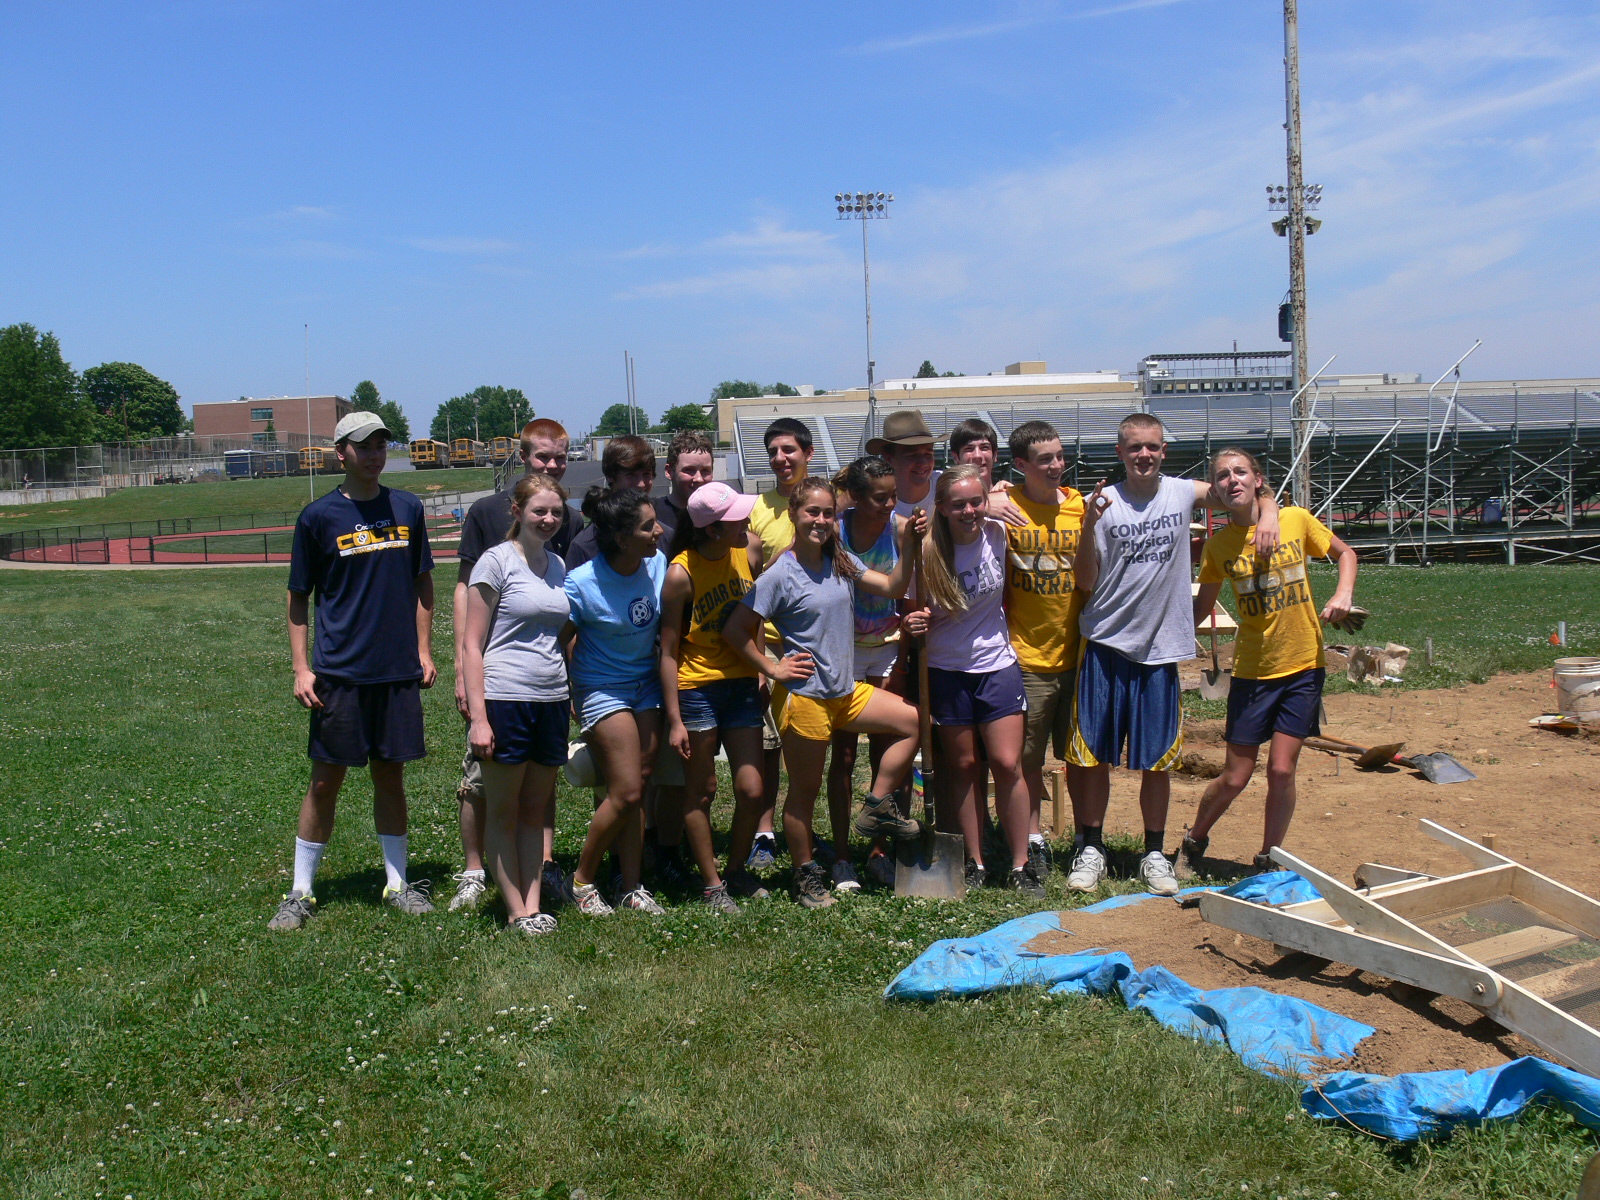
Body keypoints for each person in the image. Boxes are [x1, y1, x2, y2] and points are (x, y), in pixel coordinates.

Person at [1067, 413, 1279, 896]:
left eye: (1152, 447)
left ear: (1164, 451)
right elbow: (1084, 581)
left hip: (1160, 650)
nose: (1144, 455)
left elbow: (1243, 490)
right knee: (1093, 756)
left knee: (1157, 761)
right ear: (1120, 453)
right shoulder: (1102, 504)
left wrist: (1268, 512)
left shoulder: (1183, 493)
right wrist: (1088, 526)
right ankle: (1092, 847)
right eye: (1134, 447)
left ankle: (1153, 853)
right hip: (1106, 643)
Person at [724, 476, 924, 909]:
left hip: (844, 691)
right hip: (806, 698)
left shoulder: (840, 559)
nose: (820, 520)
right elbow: (736, 629)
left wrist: (909, 547)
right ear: (793, 514)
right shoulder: (780, 573)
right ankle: (807, 877)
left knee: (913, 721)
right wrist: (772, 667)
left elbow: (892, 587)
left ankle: (877, 803)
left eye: (828, 513)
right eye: (811, 511)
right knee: (804, 793)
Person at [270, 411, 436, 930]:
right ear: (341, 452)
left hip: (395, 671)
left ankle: (398, 883)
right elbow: (299, 598)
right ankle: (300, 892)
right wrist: (301, 668)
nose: (374, 455)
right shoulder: (318, 517)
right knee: (325, 782)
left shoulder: (407, 508)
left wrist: (424, 651)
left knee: (391, 777)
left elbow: (423, 584)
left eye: (381, 446)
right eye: (364, 446)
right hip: (338, 673)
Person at [1183, 448, 1357, 873]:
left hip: (1304, 666)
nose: (1232, 480)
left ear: (1258, 480)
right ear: (1215, 490)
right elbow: (1201, 608)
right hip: (1253, 673)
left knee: (1281, 770)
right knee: (1235, 777)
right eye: (1222, 476)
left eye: (1240, 472)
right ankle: (1193, 840)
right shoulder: (1219, 546)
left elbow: (1345, 554)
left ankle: (1268, 858)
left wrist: (1343, 594)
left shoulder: (1295, 520)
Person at [449, 418, 577, 913]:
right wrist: (479, 717)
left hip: (550, 700)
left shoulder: (558, 566)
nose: (548, 519)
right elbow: (473, 644)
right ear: (518, 511)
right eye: (539, 511)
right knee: (502, 810)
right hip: (505, 699)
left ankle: (534, 904)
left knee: (534, 811)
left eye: (555, 513)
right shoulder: (496, 561)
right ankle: (515, 910)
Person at [901, 467, 1041, 897]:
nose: (969, 511)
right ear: (941, 507)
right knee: (962, 767)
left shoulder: (997, 533)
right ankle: (974, 861)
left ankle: (1021, 864)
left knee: (1007, 763)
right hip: (946, 670)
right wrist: (912, 623)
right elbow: (907, 611)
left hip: (997, 666)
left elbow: (1028, 498)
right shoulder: (925, 552)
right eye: (958, 504)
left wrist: (999, 495)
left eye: (976, 502)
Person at [658, 481, 770, 911]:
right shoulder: (680, 574)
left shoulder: (750, 549)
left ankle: (736, 870)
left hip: (742, 684)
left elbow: (755, 615)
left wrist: (761, 667)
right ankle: (712, 884)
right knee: (701, 790)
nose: (746, 523)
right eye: (737, 519)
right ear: (711, 529)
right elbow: (669, 651)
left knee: (752, 789)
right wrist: (675, 719)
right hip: (697, 688)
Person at [562, 488, 668, 916]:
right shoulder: (581, 582)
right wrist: (569, 691)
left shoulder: (657, 564)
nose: (659, 531)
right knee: (625, 791)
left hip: (647, 685)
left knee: (637, 786)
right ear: (622, 538)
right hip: (602, 688)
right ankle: (582, 881)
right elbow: (560, 640)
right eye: (648, 526)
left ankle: (630, 884)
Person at [1002, 420, 1088, 882]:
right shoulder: (1006, 507)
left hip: (1080, 655)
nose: (1056, 465)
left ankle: (1086, 839)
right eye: (1044, 459)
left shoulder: (1080, 506)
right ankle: (1033, 838)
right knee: (1028, 759)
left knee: (1080, 757)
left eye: (1059, 456)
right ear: (1020, 464)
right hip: (1027, 657)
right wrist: (992, 498)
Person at [827, 456, 905, 891]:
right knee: (842, 756)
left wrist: (906, 652)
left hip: (888, 650)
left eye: (893, 496)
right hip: (846, 653)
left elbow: (909, 592)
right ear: (855, 497)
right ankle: (842, 857)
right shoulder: (834, 531)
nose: (889, 504)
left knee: (885, 754)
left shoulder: (900, 530)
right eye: (880, 498)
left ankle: (880, 851)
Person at [743, 417, 815, 870]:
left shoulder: (827, 501)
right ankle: (764, 832)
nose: (780, 459)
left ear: (808, 453)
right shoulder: (758, 509)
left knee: (809, 742)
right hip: (769, 642)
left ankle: (803, 827)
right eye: (773, 452)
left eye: (788, 449)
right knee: (767, 744)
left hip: (815, 642)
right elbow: (748, 579)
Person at [562, 435, 657, 571]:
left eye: (647, 474)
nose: (641, 484)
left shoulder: (663, 536)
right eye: (631, 475)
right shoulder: (586, 545)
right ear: (610, 476)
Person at [867, 410, 940, 520]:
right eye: (912, 455)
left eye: (928, 454)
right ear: (889, 458)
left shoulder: (948, 487)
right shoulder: (877, 505)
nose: (923, 463)